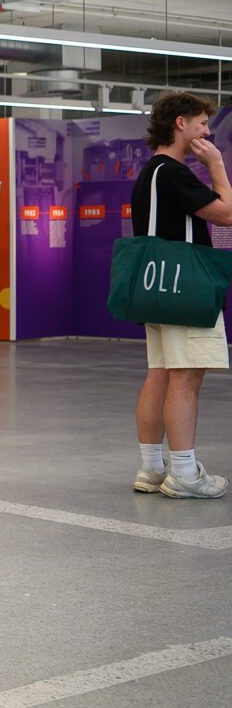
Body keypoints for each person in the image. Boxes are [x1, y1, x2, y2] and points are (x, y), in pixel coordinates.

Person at [131, 91, 232, 500]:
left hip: (155, 288)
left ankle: (152, 467)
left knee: (160, 374)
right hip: (184, 288)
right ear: (180, 124)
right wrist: (218, 166)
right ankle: (185, 473)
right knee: (186, 378)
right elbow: (228, 212)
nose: (207, 131)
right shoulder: (173, 172)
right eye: (202, 123)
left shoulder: (148, 174)